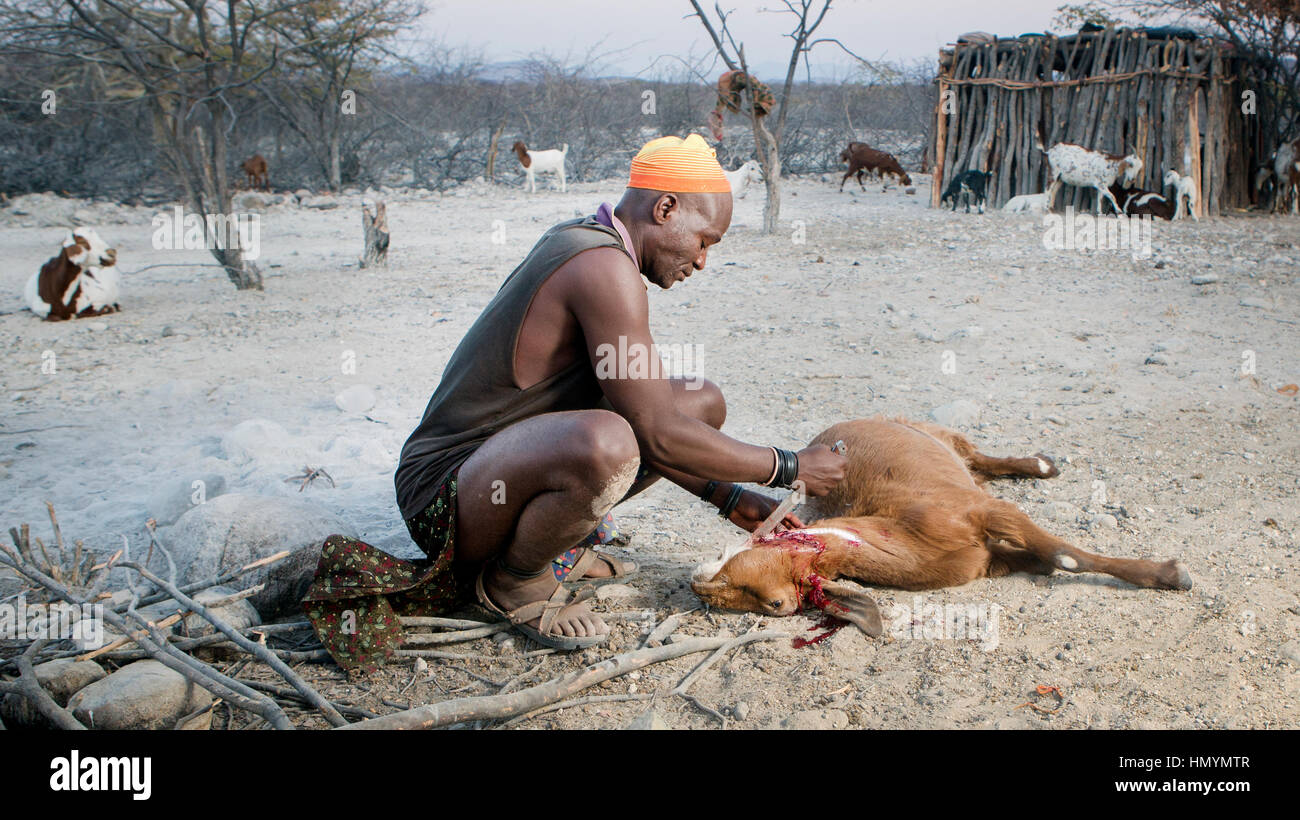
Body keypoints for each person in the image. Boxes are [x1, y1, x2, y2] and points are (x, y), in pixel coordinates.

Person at [303, 135, 846, 670]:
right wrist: (789, 466)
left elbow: (652, 413)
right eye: (704, 241)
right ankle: (514, 579)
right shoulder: (602, 270)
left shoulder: (592, 244)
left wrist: (732, 499)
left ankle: (543, 543)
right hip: (444, 497)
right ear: (664, 208)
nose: (702, 261)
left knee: (700, 402)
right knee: (609, 444)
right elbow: (653, 432)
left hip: (504, 468)